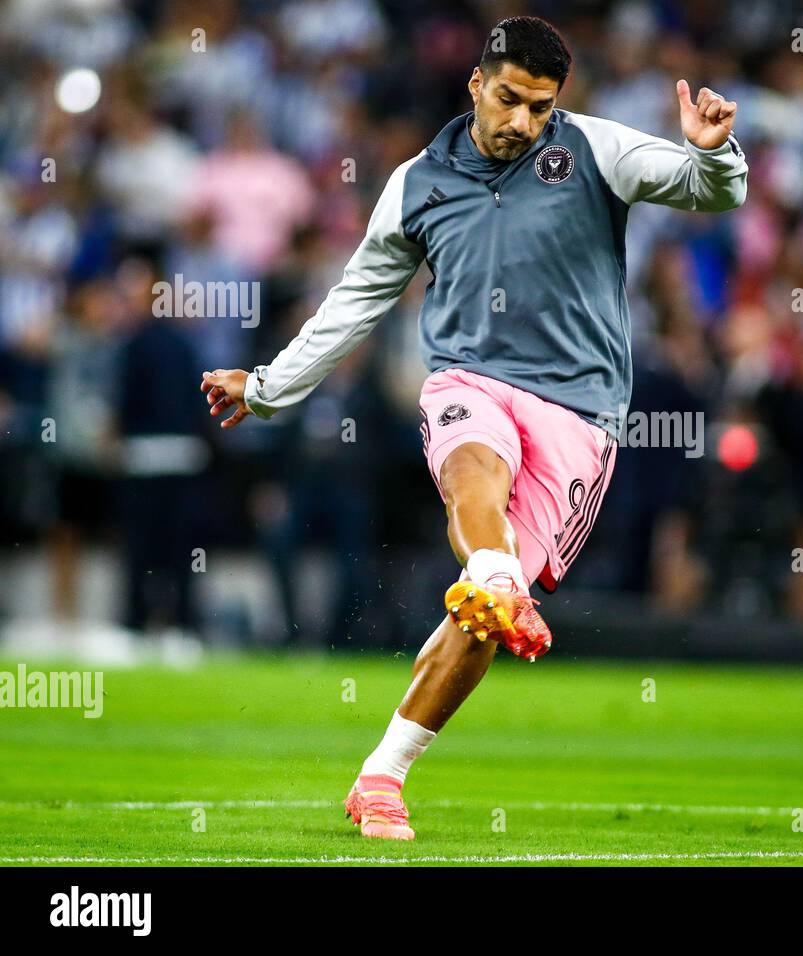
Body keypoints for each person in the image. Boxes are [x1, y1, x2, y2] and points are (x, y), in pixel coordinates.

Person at [199, 16, 747, 840]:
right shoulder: (417, 183)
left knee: (479, 620)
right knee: (474, 475)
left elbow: (711, 190)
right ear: (476, 84)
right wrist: (271, 388)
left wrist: (713, 152)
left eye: (539, 106)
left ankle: (381, 772)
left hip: (579, 410)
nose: (522, 121)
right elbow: (354, 303)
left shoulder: (596, 150)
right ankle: (493, 569)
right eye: (509, 99)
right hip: (469, 379)